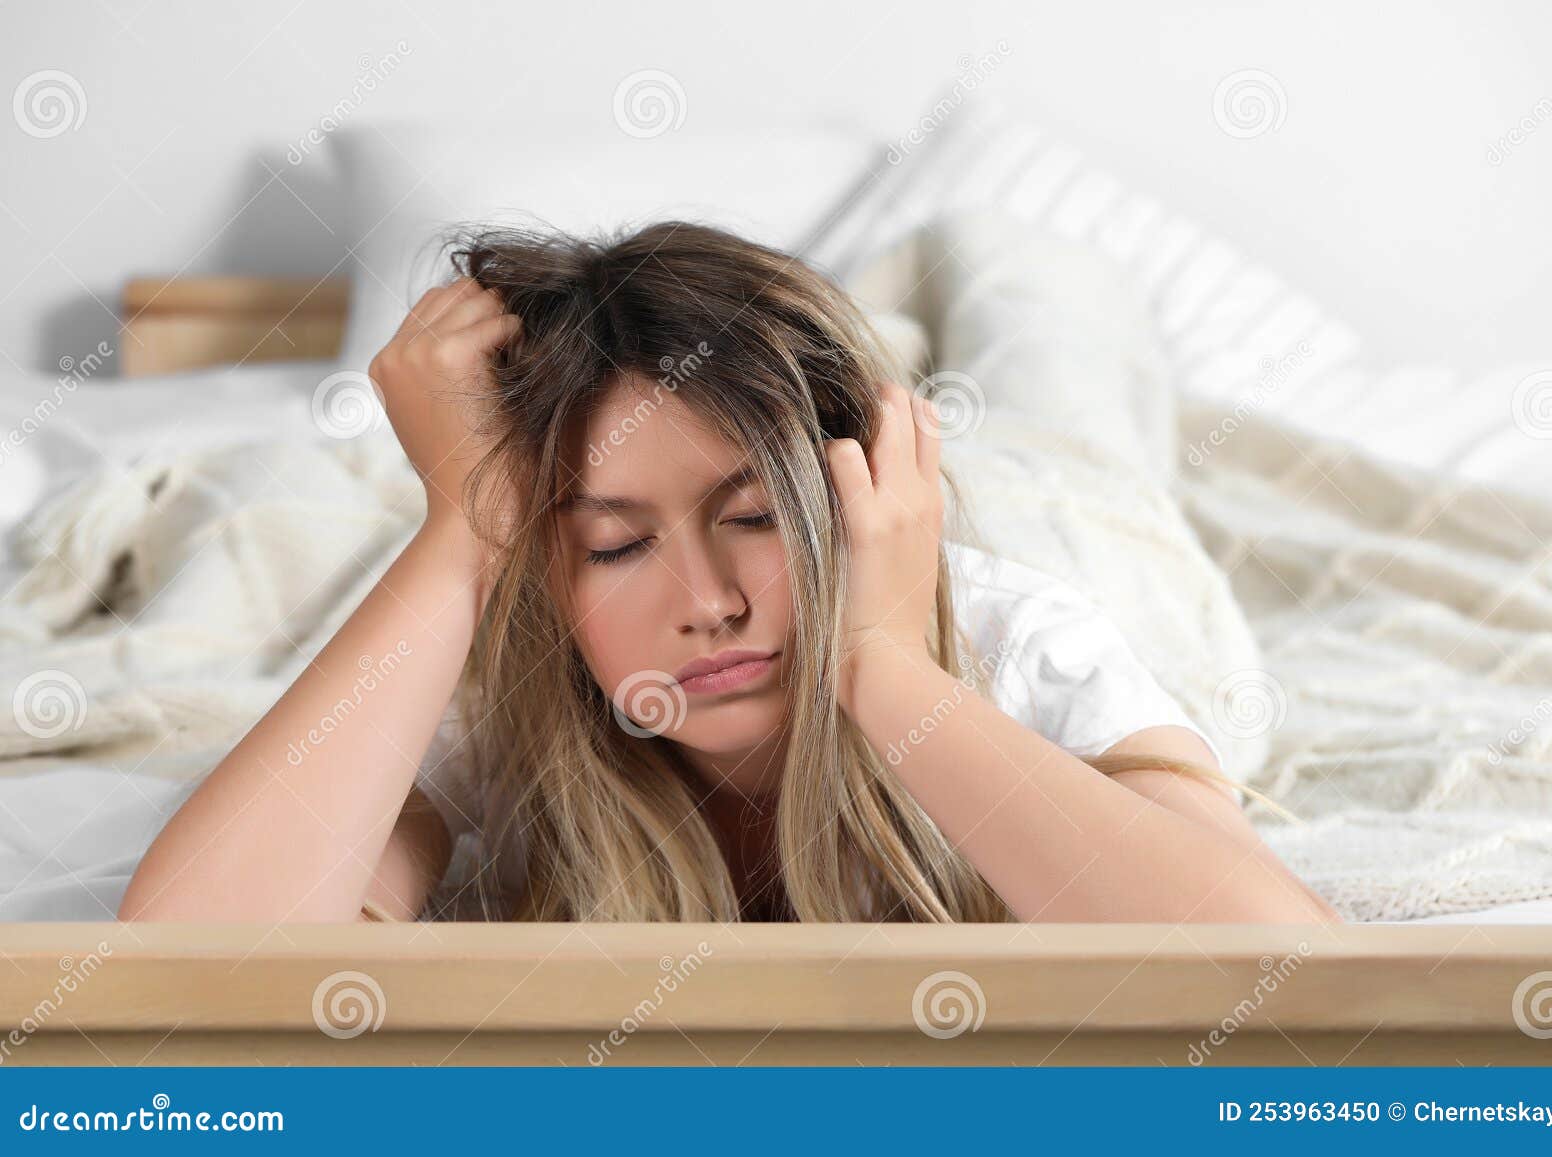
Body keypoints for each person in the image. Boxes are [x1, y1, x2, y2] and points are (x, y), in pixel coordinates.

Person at [117, 220, 1342, 925]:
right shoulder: (506, 698)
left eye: (754, 517)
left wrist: (883, 666)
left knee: (1048, 329)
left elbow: (1274, 965)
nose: (706, 605)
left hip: (1075, 510)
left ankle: (992, 253)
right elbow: (194, 968)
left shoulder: (1025, 644)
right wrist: (457, 532)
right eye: (614, 543)